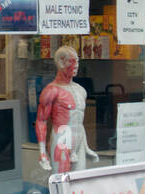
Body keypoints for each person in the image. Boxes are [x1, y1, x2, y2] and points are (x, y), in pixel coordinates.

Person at [36, 45, 98, 173]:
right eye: (72, 61)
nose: (76, 65)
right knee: (61, 183)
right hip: (62, 138)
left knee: (79, 183)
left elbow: (79, 122)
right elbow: (41, 121)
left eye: (77, 61)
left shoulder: (81, 91)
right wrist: (42, 152)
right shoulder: (52, 90)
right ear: (61, 62)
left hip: (79, 141)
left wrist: (86, 147)